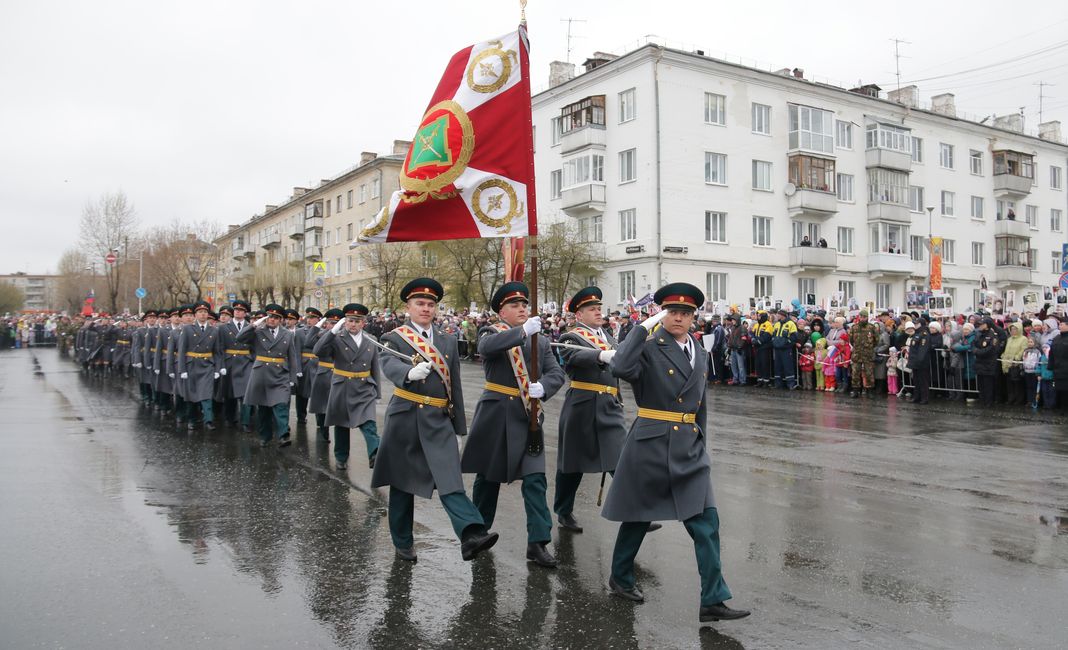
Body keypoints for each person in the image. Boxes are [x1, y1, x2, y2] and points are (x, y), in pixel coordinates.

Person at [603, 282, 749, 623]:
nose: (679, 318)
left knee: (706, 522)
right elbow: (620, 367)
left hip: (687, 444)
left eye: (685, 313)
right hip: (651, 440)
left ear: (694, 317)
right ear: (662, 315)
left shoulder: (698, 349)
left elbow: (701, 402)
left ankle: (712, 599)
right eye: (673, 312)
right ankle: (620, 577)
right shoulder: (650, 346)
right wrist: (640, 328)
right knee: (637, 516)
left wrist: (702, 441)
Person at [370, 278, 499, 563]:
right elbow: (387, 362)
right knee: (403, 483)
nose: (426, 309)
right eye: (420, 304)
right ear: (409, 307)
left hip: (439, 418)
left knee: (450, 478)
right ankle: (403, 541)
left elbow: (456, 386)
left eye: (430, 304)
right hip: (406, 414)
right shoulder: (396, 337)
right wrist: (407, 373)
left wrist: (458, 428)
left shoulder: (447, 340)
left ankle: (471, 534)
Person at [461, 281, 566, 569]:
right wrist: (522, 332)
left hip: (527, 415)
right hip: (496, 415)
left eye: (524, 305)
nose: (521, 309)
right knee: (488, 478)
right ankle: (477, 533)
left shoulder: (540, 341)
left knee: (535, 480)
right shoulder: (490, 332)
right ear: (501, 312)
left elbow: (556, 372)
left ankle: (538, 542)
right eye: (514, 306)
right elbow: (486, 347)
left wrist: (543, 387)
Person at [553, 286, 628, 535]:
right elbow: (572, 358)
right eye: (591, 309)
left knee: (621, 458)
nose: (597, 312)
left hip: (609, 405)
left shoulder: (609, 336)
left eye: (599, 308)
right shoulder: (570, 337)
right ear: (579, 315)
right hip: (582, 404)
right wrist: (600, 355)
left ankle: (636, 511)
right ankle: (564, 510)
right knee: (572, 463)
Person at [312, 303, 381, 470]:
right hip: (342, 385)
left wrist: (377, 393)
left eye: (357, 321)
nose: (353, 324)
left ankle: (375, 453)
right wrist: (333, 331)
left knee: (368, 422)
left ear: (363, 323)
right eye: (350, 321)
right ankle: (341, 457)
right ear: (345, 322)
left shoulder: (371, 340)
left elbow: (375, 367)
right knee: (341, 423)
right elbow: (317, 350)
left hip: (364, 387)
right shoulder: (336, 338)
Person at [238, 304, 302, 447]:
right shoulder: (258, 331)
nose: (272, 320)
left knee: (281, 404)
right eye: (270, 317)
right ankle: (265, 436)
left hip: (280, 374)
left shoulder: (287, 334)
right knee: (264, 409)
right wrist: (253, 325)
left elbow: (292, 356)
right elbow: (240, 338)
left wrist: (293, 378)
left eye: (276, 318)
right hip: (261, 374)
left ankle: (283, 435)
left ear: (281, 320)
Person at [176, 301, 223, 431]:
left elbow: (217, 351)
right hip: (192, 365)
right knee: (192, 395)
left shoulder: (214, 330)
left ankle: (208, 420)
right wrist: (182, 369)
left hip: (207, 365)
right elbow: (182, 350)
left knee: (207, 394)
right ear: (195, 315)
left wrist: (218, 368)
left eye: (205, 312)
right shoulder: (187, 329)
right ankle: (191, 420)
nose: (203, 314)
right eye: (200, 312)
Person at [308, 308, 343, 441]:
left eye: (336, 323)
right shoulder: (322, 335)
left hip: (339, 374)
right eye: (330, 323)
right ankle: (323, 431)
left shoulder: (345, 336)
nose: (333, 326)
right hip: (323, 373)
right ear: (326, 324)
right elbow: (308, 342)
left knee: (337, 405)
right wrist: (318, 325)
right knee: (321, 404)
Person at [219, 300, 254, 430]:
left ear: (245, 313)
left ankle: (245, 422)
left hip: (246, 361)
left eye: (241, 310)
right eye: (236, 310)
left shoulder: (251, 327)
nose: (238, 312)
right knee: (230, 393)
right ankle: (230, 418)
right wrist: (221, 365)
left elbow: (254, 346)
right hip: (230, 362)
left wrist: (253, 360)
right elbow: (220, 348)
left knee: (246, 393)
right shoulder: (223, 327)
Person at [294, 307, 323, 425]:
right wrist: (298, 369)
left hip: (318, 364)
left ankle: (320, 420)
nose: (309, 320)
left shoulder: (323, 332)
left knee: (318, 394)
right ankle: (301, 416)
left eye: (312, 318)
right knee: (301, 393)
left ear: (318, 319)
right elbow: (296, 351)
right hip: (305, 365)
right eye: (308, 317)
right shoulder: (300, 332)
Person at [849, 310, 879, 398]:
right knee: (855, 373)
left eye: (864, 317)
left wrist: (869, 347)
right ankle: (855, 390)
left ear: (867, 317)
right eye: (861, 317)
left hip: (868, 354)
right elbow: (851, 340)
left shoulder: (872, 327)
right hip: (857, 354)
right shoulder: (854, 327)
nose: (862, 319)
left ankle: (870, 390)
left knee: (869, 373)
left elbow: (876, 340)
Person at [906, 322, 931, 404]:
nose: (915, 325)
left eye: (917, 324)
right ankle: (917, 396)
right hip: (915, 362)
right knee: (916, 381)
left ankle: (924, 398)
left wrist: (919, 361)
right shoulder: (917, 334)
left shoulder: (924, 334)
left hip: (921, 363)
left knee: (923, 381)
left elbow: (922, 350)